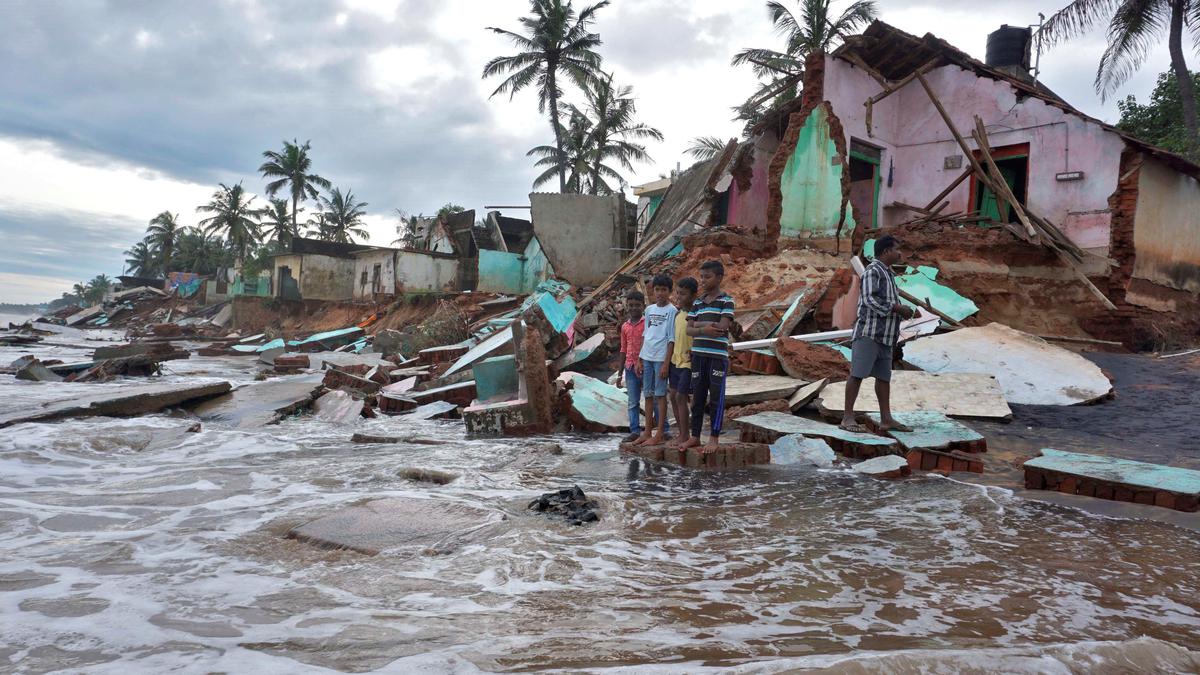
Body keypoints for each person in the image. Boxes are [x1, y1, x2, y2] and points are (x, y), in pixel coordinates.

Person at [839, 235, 917, 434]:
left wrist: (900, 311)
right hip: (869, 333)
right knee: (857, 374)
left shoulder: (888, 273)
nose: (900, 253)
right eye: (897, 249)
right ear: (886, 252)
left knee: (883, 377)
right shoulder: (873, 271)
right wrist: (897, 309)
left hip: (886, 336)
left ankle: (886, 418)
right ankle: (847, 418)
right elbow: (869, 300)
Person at [683, 260, 735, 453]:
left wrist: (697, 326)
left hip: (717, 357)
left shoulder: (726, 301)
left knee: (716, 398)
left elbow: (721, 327)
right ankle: (695, 436)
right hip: (698, 356)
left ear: (719, 278)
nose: (703, 280)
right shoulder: (697, 302)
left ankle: (714, 437)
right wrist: (703, 327)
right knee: (697, 397)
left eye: (707, 276)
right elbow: (688, 329)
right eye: (701, 276)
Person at [634, 274, 677, 446]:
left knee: (660, 396)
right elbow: (646, 334)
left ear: (669, 292)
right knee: (648, 394)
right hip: (647, 356)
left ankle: (660, 432)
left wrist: (666, 363)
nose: (660, 293)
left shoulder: (672, 311)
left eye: (664, 290)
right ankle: (647, 432)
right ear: (653, 291)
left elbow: (671, 339)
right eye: (657, 289)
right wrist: (640, 358)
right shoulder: (649, 310)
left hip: (660, 358)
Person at [665, 277, 697, 449]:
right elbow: (672, 339)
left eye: (683, 294)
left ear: (693, 295)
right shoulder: (678, 315)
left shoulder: (696, 314)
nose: (679, 297)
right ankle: (681, 433)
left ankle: (686, 434)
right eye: (678, 293)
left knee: (680, 396)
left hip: (688, 363)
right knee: (673, 396)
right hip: (675, 361)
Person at [616, 290, 645, 443]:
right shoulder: (625, 327)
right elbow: (623, 349)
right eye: (631, 305)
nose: (634, 308)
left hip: (646, 368)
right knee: (633, 401)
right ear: (627, 306)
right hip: (629, 368)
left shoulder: (647, 323)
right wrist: (620, 374)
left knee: (651, 398)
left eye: (637, 305)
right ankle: (635, 430)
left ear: (643, 306)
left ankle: (663, 429)